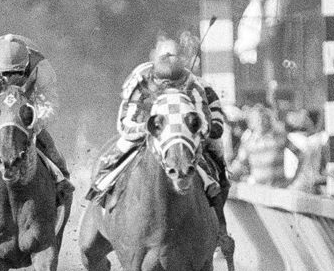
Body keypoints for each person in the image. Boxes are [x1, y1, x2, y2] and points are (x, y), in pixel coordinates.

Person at [88, 36, 229, 201]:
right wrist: (146, 128)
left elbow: (205, 119)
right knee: (118, 150)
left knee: (216, 149)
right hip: (146, 128)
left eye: (173, 57)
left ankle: (218, 186)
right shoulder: (140, 78)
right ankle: (101, 184)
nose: (169, 83)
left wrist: (199, 131)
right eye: (164, 58)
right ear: (154, 58)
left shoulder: (194, 83)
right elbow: (124, 122)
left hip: (183, 134)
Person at [0, 34, 71, 203]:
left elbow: (50, 103)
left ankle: (62, 177)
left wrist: (37, 120)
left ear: (26, 65)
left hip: (27, 111)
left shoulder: (40, 67)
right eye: (6, 73)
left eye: (18, 73)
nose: (11, 78)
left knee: (45, 141)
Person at [229, 105, 291, 187]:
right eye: (257, 119)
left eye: (263, 118)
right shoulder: (248, 140)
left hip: (278, 189)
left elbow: (301, 155)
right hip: (258, 191)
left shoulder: (279, 137)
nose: (261, 122)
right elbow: (239, 163)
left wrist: (293, 181)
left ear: (269, 120)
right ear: (251, 123)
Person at [250, 0, 292, 88]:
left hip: (271, 22)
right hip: (282, 22)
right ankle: (279, 78)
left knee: (269, 51)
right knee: (279, 51)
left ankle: (270, 79)